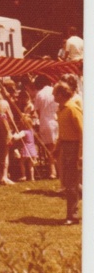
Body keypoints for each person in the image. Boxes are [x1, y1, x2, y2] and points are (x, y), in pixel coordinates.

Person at [52, 80, 82, 225]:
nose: (53, 96)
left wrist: (81, 154)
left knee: (71, 183)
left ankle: (73, 216)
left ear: (62, 94)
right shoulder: (61, 109)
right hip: (66, 146)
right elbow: (62, 132)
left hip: (75, 147)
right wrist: (57, 148)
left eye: (55, 93)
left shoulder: (72, 108)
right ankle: (72, 214)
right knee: (69, 182)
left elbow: (83, 132)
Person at [33, 75, 58, 179]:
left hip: (45, 122)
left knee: (49, 150)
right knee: (58, 147)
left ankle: (53, 171)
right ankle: (59, 170)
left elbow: (38, 111)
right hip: (57, 120)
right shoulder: (55, 90)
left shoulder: (39, 94)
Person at [0, 97, 15, 184]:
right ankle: (4, 176)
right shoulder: (4, 103)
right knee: (6, 153)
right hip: (4, 129)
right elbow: (11, 117)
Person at [16, 112, 37, 182]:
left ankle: (24, 176)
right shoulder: (31, 131)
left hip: (26, 149)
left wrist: (14, 135)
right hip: (32, 149)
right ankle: (32, 177)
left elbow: (17, 137)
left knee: (22, 162)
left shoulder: (24, 132)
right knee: (30, 164)